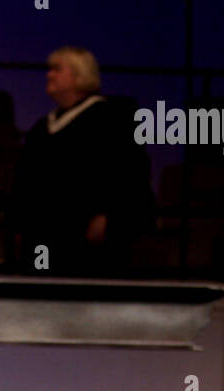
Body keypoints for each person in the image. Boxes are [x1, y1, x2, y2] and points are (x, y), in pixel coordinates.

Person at [9, 46, 153, 276]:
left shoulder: (111, 119)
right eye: (49, 69)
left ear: (80, 74)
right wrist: (20, 227)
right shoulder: (41, 128)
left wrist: (110, 217)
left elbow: (130, 174)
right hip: (42, 239)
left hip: (84, 239)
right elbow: (24, 181)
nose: (49, 75)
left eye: (58, 69)